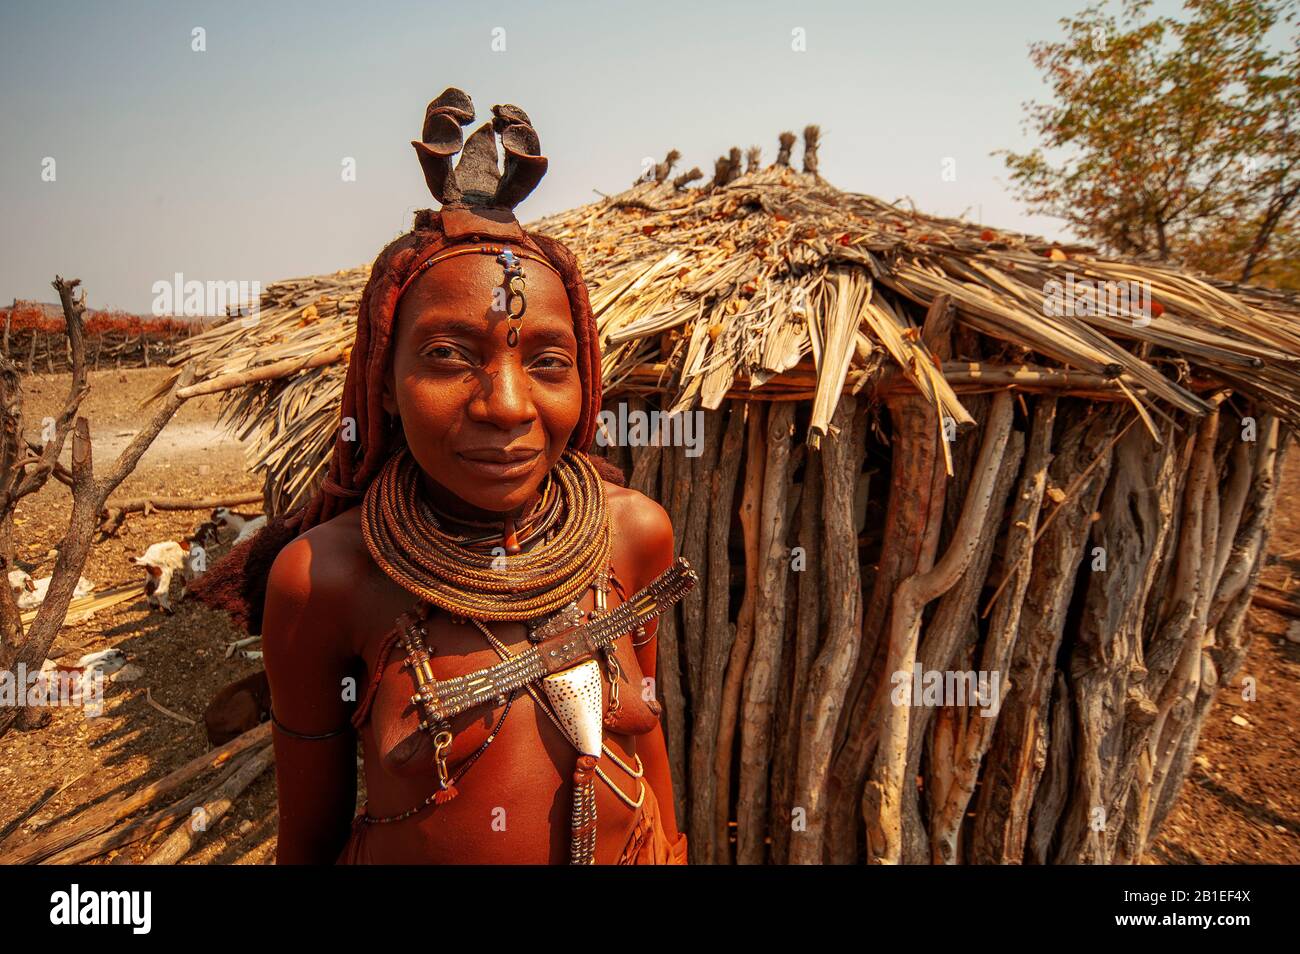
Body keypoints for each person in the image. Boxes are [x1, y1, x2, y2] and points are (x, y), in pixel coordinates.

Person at [189, 88, 689, 865]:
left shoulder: (634, 536)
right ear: (382, 381)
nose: (507, 405)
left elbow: (649, 756)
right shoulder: (324, 579)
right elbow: (310, 839)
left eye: (549, 363)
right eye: (449, 356)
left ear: (587, 379)